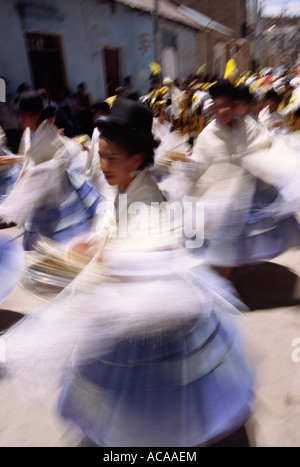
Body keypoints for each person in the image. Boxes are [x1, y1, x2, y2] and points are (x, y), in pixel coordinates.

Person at [0, 98, 256, 447]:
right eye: (101, 155)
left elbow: (147, 251)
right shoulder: (125, 185)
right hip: (126, 294)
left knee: (151, 398)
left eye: (110, 158)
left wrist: (105, 258)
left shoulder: (149, 200)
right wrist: (94, 241)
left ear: (136, 159)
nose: (102, 165)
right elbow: (115, 226)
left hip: (150, 311)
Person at [189, 79, 300, 271]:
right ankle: (227, 275)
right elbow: (199, 167)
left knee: (249, 238)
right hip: (222, 197)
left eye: (226, 106)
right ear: (213, 109)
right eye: (218, 107)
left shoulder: (247, 125)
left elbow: (265, 145)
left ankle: (240, 270)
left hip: (251, 192)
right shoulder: (207, 136)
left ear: (233, 106)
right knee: (224, 242)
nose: (222, 111)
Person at [0, 91, 102, 250]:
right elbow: (29, 159)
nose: (20, 119)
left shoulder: (47, 136)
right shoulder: (29, 133)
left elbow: (59, 159)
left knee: (62, 232)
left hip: (57, 195)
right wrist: (17, 160)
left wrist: (29, 180)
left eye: (23, 115)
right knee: (41, 236)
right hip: (43, 196)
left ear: (35, 116)